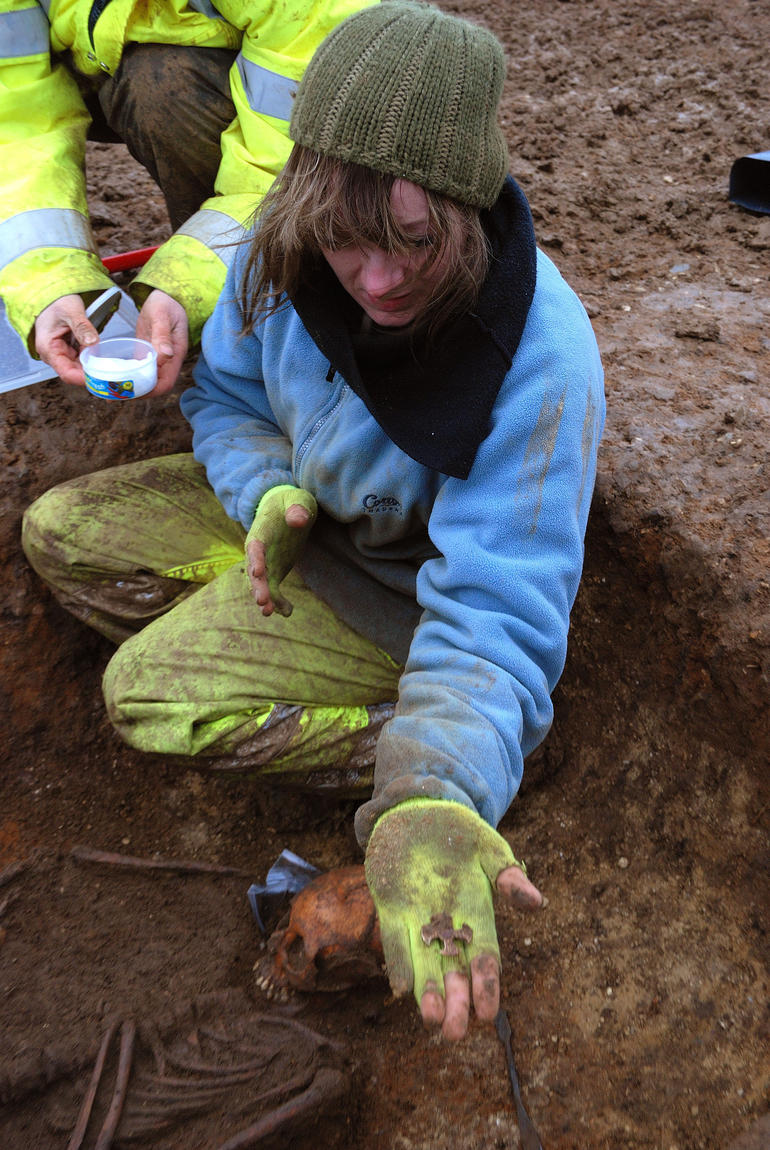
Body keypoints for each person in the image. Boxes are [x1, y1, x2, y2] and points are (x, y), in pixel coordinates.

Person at [22, 1, 606, 1040]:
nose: (376, 281)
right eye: (348, 241)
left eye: (414, 243)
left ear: (468, 207)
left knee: (144, 696)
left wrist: (431, 790)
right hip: (302, 524)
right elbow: (226, 396)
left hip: (400, 602)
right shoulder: (280, 253)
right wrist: (265, 494)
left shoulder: (538, 367)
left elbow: (494, 617)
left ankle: (443, 755)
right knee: (59, 533)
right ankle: (272, 638)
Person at [0, 0, 374, 392]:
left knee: (162, 85)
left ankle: (267, 300)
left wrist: (192, 282)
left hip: (304, 77)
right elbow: (15, 122)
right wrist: (51, 282)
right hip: (101, 59)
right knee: (152, 79)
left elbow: (291, 164)